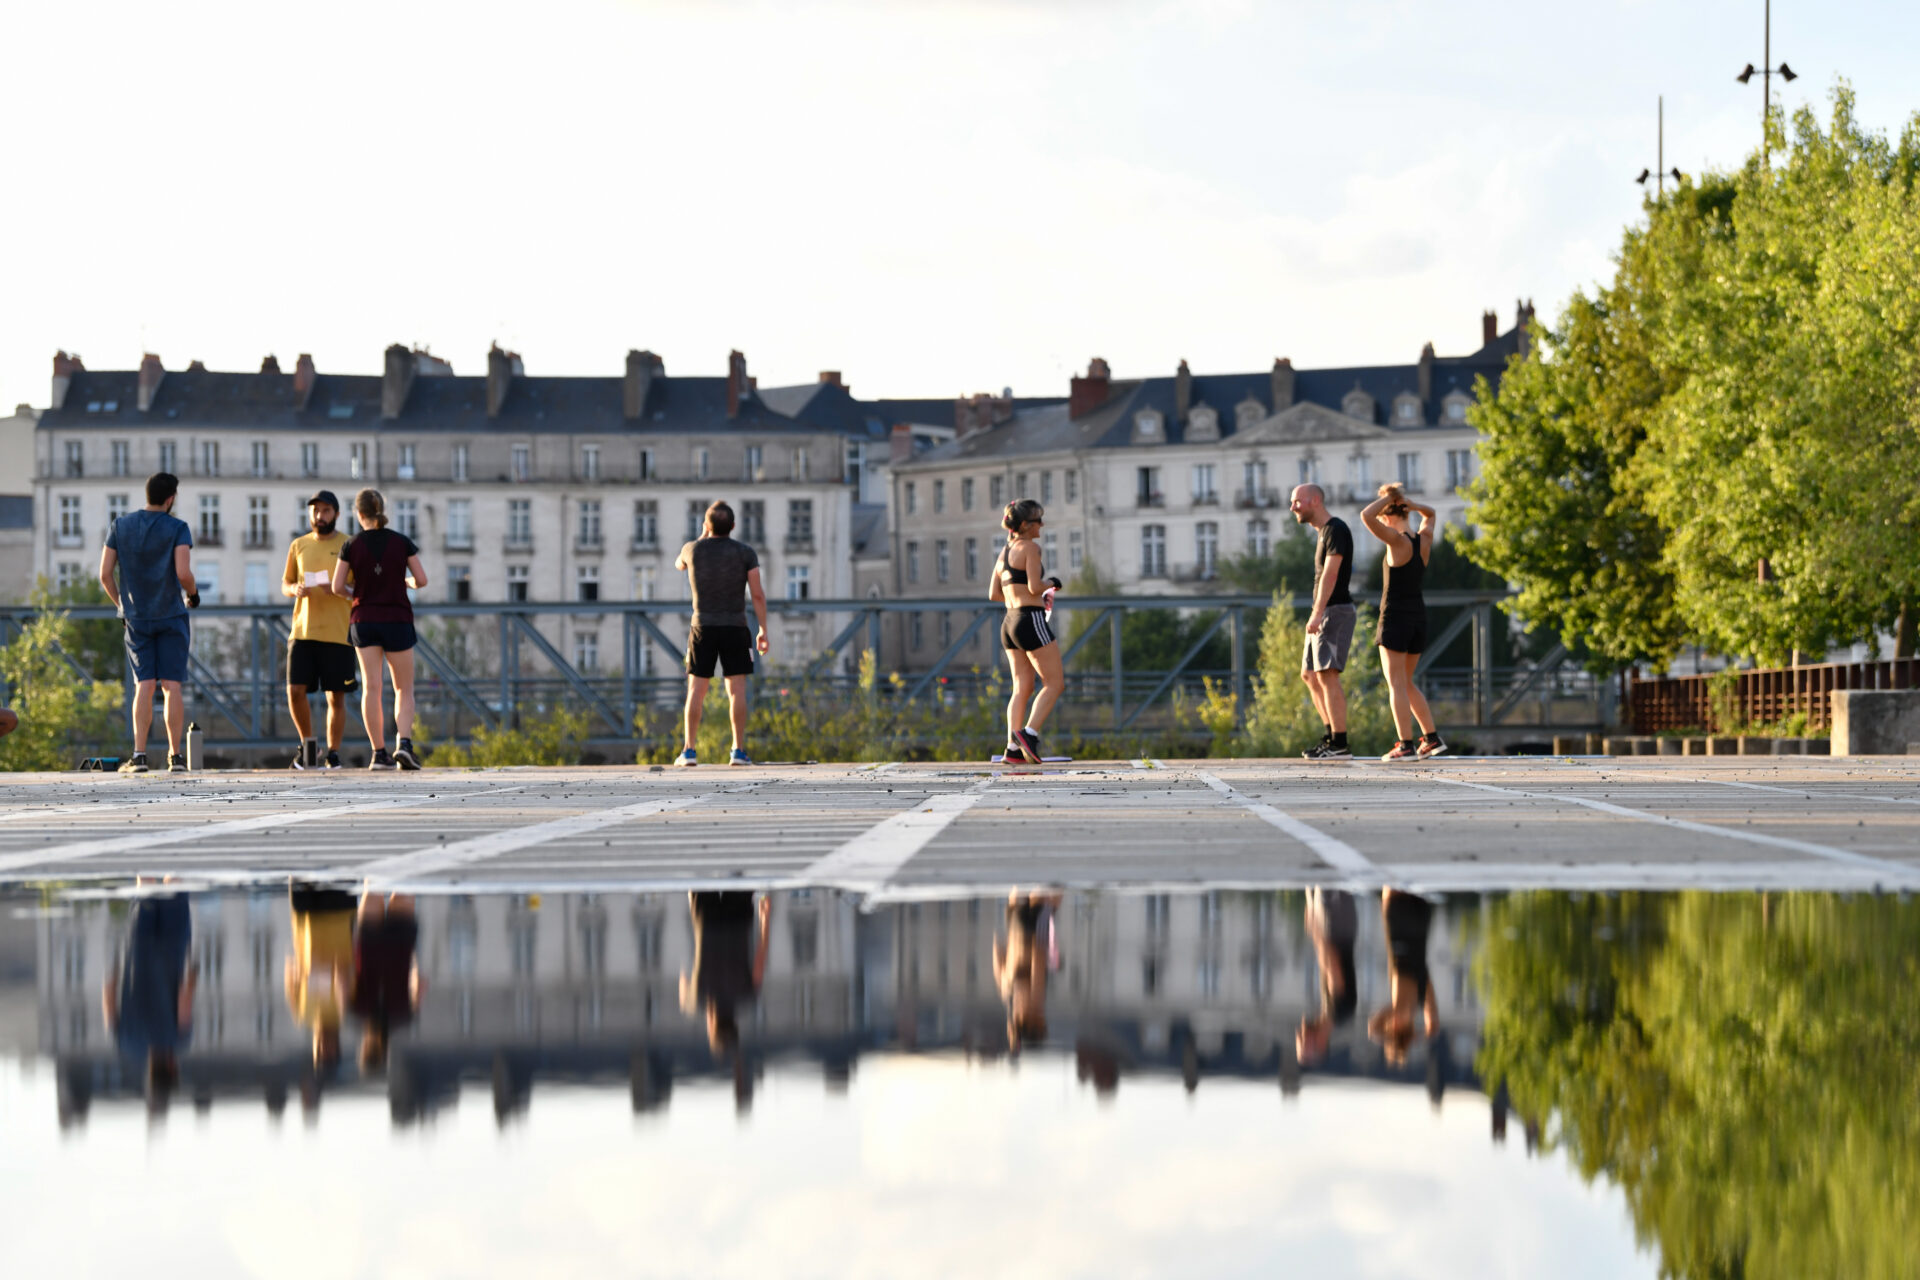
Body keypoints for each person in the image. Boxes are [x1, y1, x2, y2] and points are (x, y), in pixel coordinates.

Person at [98, 472, 200, 774]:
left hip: (137, 618)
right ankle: (175, 757)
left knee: (143, 684)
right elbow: (183, 573)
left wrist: (122, 605)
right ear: (170, 499)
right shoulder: (178, 528)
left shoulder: (120, 526)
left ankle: (139, 756)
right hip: (171, 616)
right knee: (171, 686)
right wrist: (193, 594)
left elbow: (105, 574)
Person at [330, 488, 426, 770]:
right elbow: (421, 579)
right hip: (397, 618)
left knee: (372, 687)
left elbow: (337, 586)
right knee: (403, 688)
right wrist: (406, 583)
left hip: (364, 619)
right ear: (382, 510)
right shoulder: (401, 542)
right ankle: (404, 744)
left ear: (359, 514)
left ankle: (379, 754)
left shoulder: (351, 544)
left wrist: (355, 593)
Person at [672, 501, 769, 767]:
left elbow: (679, 564)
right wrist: (763, 629)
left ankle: (689, 751)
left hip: (702, 627)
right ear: (733, 526)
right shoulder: (745, 553)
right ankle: (738, 750)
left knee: (696, 689)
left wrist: (702, 536)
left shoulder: (692, 549)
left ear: (707, 525)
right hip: (736, 627)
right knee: (737, 691)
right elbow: (757, 595)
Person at [1360, 483, 1448, 761]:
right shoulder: (1424, 539)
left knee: (1396, 684)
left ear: (1387, 515)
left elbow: (1365, 515)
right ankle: (1431, 739)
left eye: (1384, 514)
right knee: (1407, 682)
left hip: (1395, 618)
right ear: (1406, 511)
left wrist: (1389, 497)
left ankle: (1405, 744)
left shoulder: (1396, 541)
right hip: (1418, 617)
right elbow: (1431, 514)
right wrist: (1413, 504)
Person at [101, 881, 196, 1115]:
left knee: (174, 884)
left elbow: (184, 999)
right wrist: (120, 964)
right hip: (137, 947)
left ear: (173, 1069)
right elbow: (108, 995)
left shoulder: (179, 1040)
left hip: (172, 946)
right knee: (145, 886)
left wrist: (193, 972)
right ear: (150, 1074)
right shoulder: (124, 1042)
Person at [282, 490, 358, 770]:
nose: (319, 516)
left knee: (335, 696)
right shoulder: (299, 545)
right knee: (294, 690)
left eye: (326, 510)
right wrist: (295, 589)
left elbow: (359, 589)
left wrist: (338, 588)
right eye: (315, 510)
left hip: (338, 633)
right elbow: (285, 583)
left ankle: (333, 753)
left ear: (336, 514)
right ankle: (308, 746)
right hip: (303, 630)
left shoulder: (349, 544)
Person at [679, 890, 772, 1108]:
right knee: (700, 882)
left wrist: (765, 919)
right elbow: (682, 979)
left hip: (739, 920)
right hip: (707, 921)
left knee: (737, 877)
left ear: (735, 1023)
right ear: (711, 1026)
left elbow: (760, 958)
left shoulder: (747, 994)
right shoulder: (696, 1000)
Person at [988, 499, 1063, 764]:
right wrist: (1052, 583)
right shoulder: (1031, 548)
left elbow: (993, 594)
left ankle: (1011, 748)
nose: (1041, 524)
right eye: (1037, 520)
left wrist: (1017, 598)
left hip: (1009, 622)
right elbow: (1034, 586)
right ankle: (1029, 734)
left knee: (1022, 687)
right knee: (1055, 683)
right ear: (1024, 525)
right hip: (1030, 620)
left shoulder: (1004, 552)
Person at [1290, 483, 1355, 760]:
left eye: (1297, 501)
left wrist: (1318, 612)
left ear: (1315, 500)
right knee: (1309, 674)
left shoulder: (1335, 529)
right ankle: (1330, 737)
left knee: (1327, 674)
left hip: (1334, 610)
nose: (1292, 507)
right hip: (1323, 610)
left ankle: (1339, 743)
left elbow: (1331, 574)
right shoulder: (1323, 533)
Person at [284, 881, 358, 1071]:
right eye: (329, 1049)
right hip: (338, 916)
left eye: (319, 1050)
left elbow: (290, 972)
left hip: (305, 919)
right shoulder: (347, 1012)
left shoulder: (301, 1014)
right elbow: (353, 970)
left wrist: (300, 970)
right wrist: (329, 970)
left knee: (300, 872)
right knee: (340, 870)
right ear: (338, 1045)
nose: (323, 1044)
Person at [350, 889, 424, 1074]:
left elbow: (419, 984)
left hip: (400, 945)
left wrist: (413, 961)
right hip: (370, 946)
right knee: (373, 885)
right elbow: (343, 978)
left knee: (402, 884)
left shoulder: (403, 1017)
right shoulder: (357, 1013)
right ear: (363, 1048)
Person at [1368, 889, 1440, 1066]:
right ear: (1393, 1030)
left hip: (1420, 923)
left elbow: (1433, 1024)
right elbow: (1373, 1029)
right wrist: (1391, 1041)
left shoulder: (1422, 996)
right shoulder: (1401, 1011)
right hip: (1400, 924)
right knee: (1391, 877)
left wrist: (1419, 1037)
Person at [1295, 887, 1359, 1066]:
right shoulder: (1338, 1013)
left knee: (1323, 880)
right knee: (1329, 879)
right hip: (1337, 927)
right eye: (1302, 1042)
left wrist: (1311, 905)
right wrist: (1315, 931)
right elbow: (1332, 965)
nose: (1298, 1035)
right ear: (1319, 1045)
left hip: (1336, 927)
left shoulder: (1330, 1011)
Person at [992, 890, 1061, 1050]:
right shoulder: (1006, 992)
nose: (1043, 1018)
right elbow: (997, 950)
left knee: (1051, 888)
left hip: (1033, 929)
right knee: (1020, 884)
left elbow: (1038, 958)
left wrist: (1049, 953)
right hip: (1014, 924)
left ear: (1033, 1022)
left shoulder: (1035, 1000)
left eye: (1041, 1022)